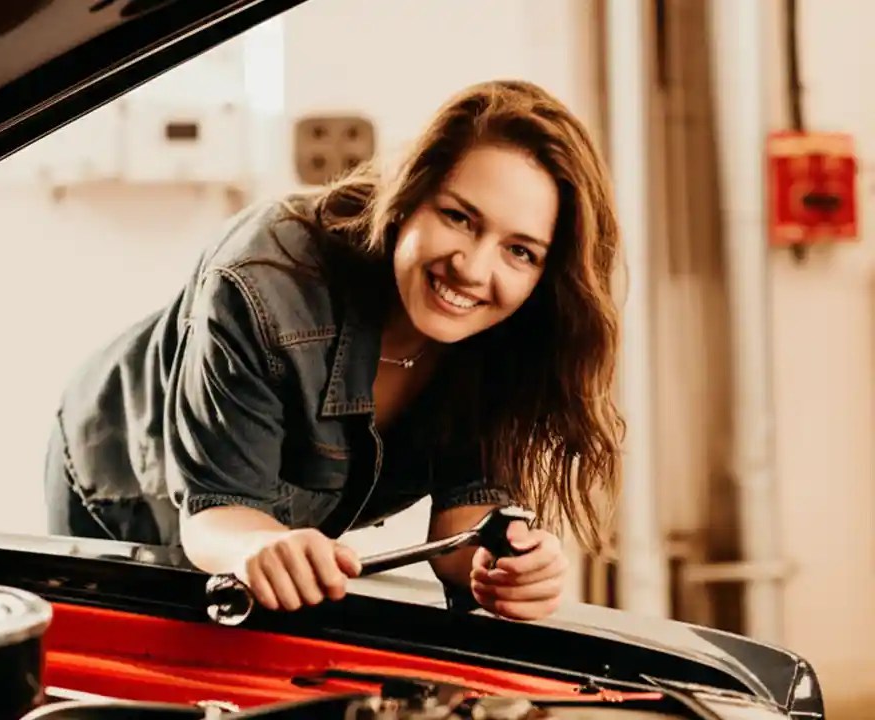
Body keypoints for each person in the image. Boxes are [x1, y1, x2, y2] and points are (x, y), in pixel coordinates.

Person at [44, 79, 624, 622]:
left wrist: (501, 566)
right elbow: (216, 511)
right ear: (410, 198)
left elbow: (462, 524)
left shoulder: (504, 334)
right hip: (123, 480)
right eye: (458, 217)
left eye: (519, 251)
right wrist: (262, 544)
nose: (473, 270)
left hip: (265, 529)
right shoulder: (265, 280)